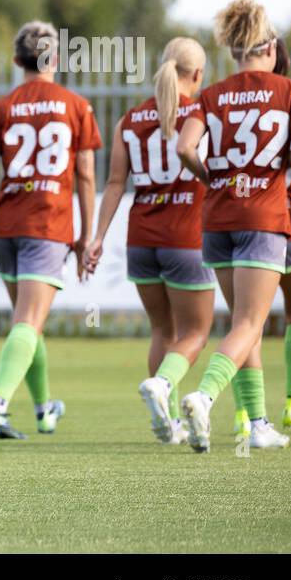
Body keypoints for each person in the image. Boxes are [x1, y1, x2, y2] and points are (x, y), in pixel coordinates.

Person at [0, 20, 101, 439]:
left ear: (16, 60)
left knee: (28, 322)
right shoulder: (76, 105)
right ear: (54, 59)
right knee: (28, 321)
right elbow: (86, 177)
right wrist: (86, 237)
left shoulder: (1, 107)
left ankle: (44, 409)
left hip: (5, 225)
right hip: (47, 224)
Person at [176, 0, 291, 452]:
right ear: (270, 46)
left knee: (246, 325)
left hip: (217, 218)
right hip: (262, 217)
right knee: (249, 323)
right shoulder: (287, 91)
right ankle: (204, 396)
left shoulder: (212, 94)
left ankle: (259, 424)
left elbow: (187, 148)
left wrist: (214, 177)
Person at [86, 38, 212, 444]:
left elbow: (115, 183)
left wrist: (97, 237)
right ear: (197, 75)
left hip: (140, 237)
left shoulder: (130, 119)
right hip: (187, 235)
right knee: (196, 332)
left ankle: (169, 423)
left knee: (162, 329)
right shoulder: (202, 111)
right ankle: (162, 386)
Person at [274, 37, 291, 429]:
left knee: (247, 321)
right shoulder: (288, 100)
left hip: (258, 220)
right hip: (285, 220)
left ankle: (247, 414)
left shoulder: (230, 103)